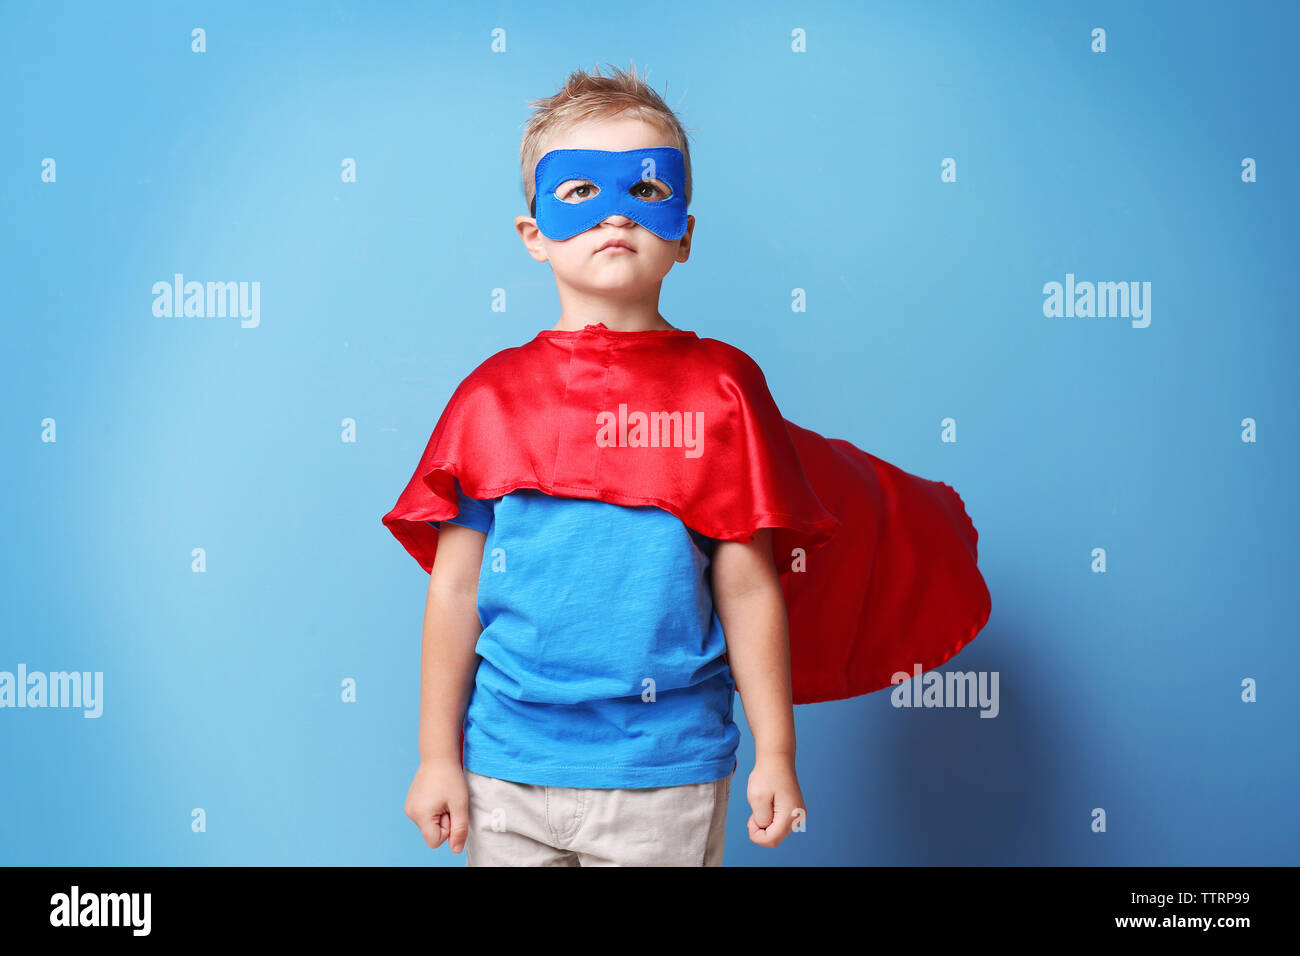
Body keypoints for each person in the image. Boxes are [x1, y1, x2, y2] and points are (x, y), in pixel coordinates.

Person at [382, 62, 990, 866]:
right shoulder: (491, 400)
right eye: (577, 194)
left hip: (663, 771)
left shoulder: (723, 392)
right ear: (533, 234)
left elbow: (747, 583)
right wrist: (436, 756)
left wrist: (777, 752)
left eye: (644, 192)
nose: (613, 219)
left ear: (685, 233)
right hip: (508, 767)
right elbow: (455, 588)